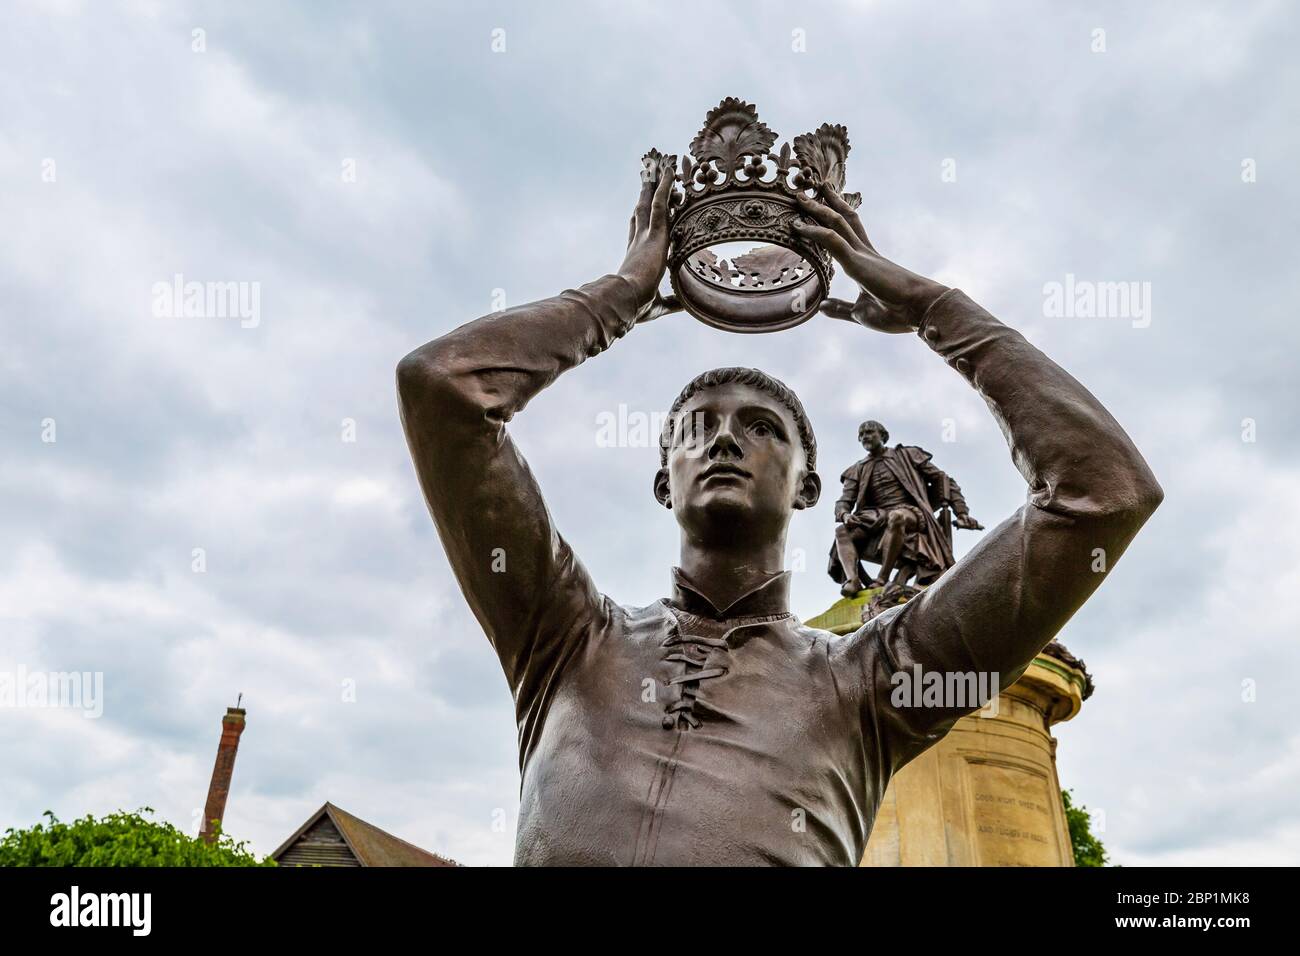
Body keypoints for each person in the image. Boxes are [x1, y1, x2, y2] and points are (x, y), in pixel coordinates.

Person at [395, 160, 1162, 866]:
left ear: (807, 485)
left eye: (761, 427)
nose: (724, 438)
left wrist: (933, 307)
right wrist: (617, 296)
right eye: (696, 429)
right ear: (665, 483)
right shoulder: (562, 638)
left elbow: (1103, 493)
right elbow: (443, 389)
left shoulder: (872, 682)